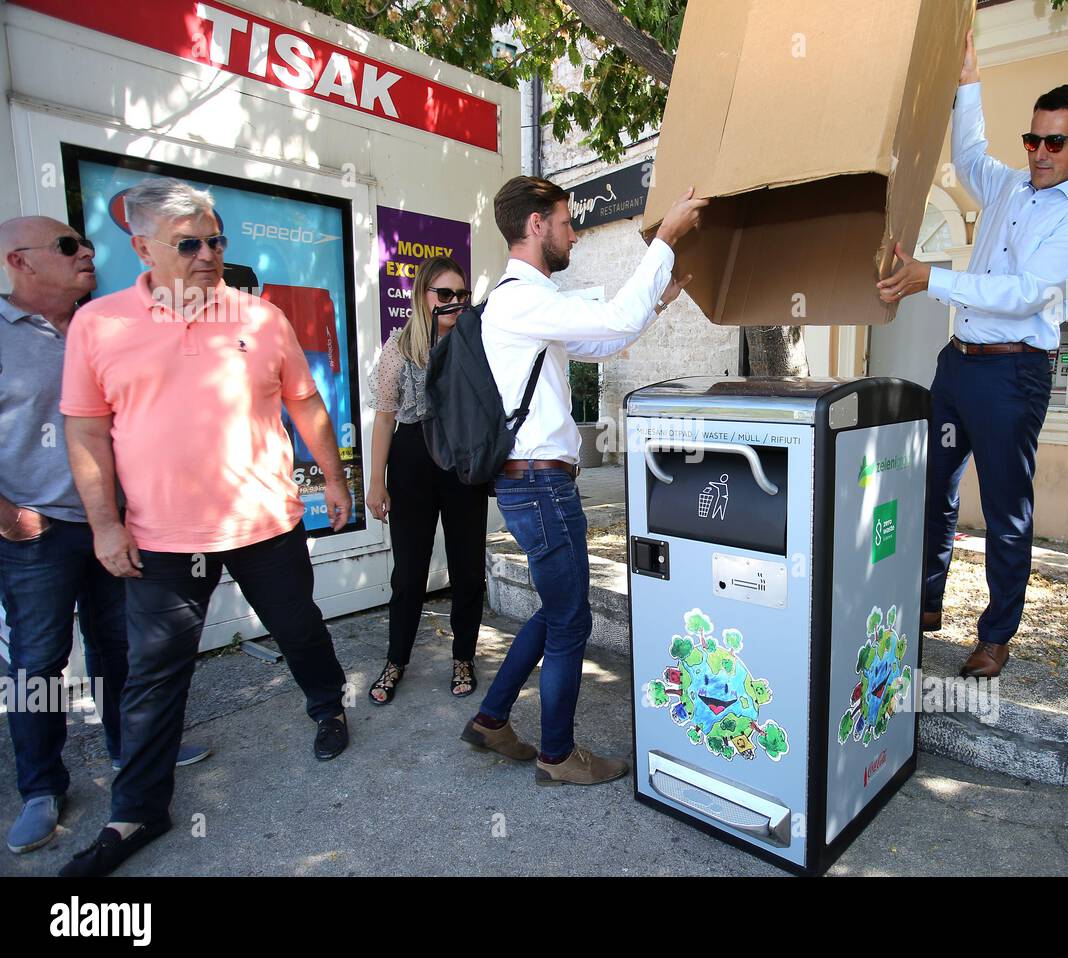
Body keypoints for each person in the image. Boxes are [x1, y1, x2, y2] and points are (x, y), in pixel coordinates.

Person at [56, 178, 352, 876]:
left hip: (264, 523)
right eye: (188, 243)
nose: (207, 254)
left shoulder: (261, 317)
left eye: (216, 240)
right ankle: (137, 810)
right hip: (162, 538)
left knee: (299, 628)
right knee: (153, 677)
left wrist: (334, 478)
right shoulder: (97, 325)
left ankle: (326, 706)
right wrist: (105, 524)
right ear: (142, 247)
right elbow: (87, 434)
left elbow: (304, 403)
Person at [878, 30, 1068, 678]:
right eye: (1033, 140)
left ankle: (996, 635)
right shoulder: (1010, 185)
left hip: (1013, 373)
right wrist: (969, 78)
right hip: (958, 365)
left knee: (1007, 509)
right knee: (932, 488)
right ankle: (925, 602)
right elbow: (970, 150)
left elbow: (1025, 293)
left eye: (1055, 142)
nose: (1039, 153)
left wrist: (934, 278)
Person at [461, 175, 705, 785]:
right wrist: (666, 238)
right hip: (540, 487)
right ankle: (558, 755)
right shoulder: (521, 297)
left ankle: (492, 720)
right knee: (572, 620)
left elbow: (605, 337)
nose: (574, 232)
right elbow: (613, 323)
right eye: (568, 222)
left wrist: (659, 300)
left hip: (535, 484)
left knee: (557, 608)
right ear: (536, 224)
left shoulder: (523, 301)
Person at [0, 216, 209, 856]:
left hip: (118, 522)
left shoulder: (109, 323)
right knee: (37, 660)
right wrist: (5, 513)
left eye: (86, 243)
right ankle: (41, 787)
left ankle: (135, 753)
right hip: (39, 527)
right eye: (68, 246)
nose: (86, 252)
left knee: (125, 647)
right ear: (20, 262)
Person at [365, 256, 487, 701]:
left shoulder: (476, 343)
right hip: (413, 457)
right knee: (408, 573)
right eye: (444, 295)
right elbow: (384, 418)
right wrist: (375, 481)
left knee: (468, 570)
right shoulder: (400, 346)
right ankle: (396, 660)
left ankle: (464, 657)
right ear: (423, 297)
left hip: (461, 460)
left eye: (461, 295)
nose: (454, 303)